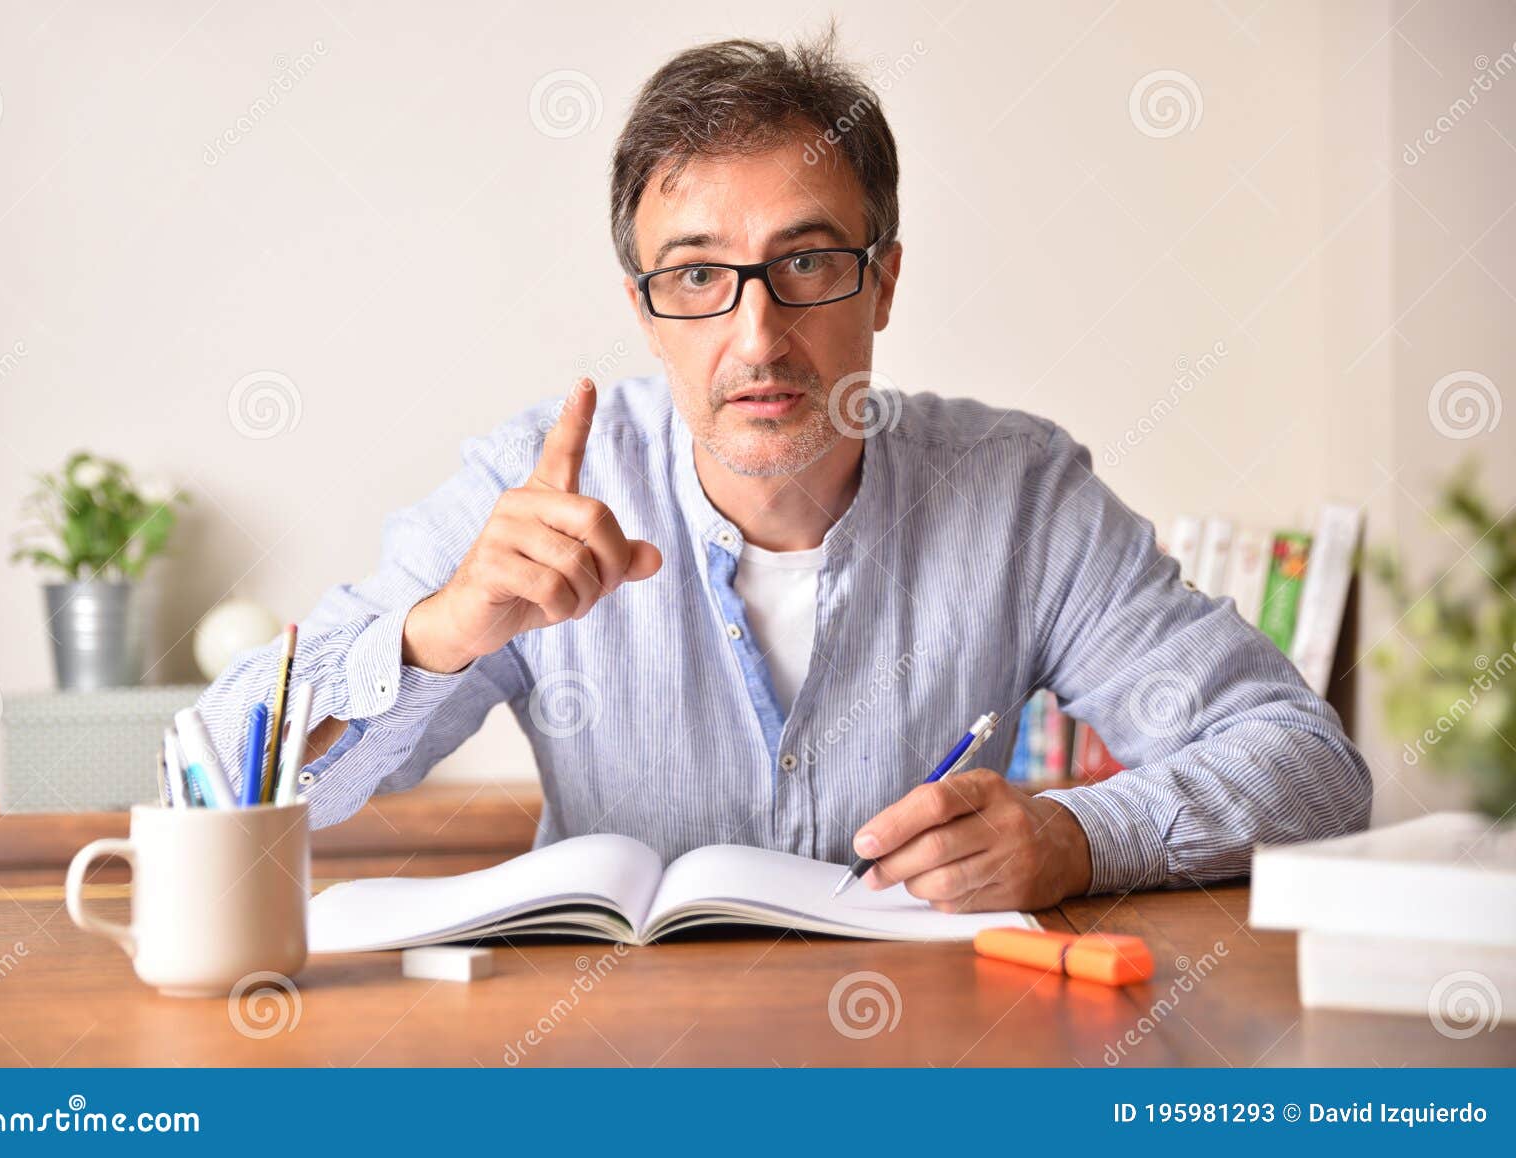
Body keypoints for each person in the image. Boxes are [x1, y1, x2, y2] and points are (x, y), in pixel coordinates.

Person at [195, 30, 1370, 912]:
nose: (756, 338)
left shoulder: (1018, 496)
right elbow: (214, 773)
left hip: (932, 1060)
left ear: (886, 282)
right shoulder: (535, 489)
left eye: (807, 262)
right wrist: (437, 632)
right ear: (646, 314)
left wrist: (1076, 838)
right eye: (698, 276)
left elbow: (1309, 768)